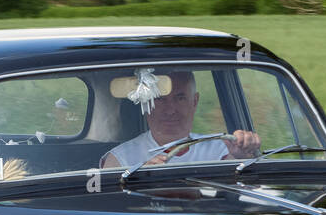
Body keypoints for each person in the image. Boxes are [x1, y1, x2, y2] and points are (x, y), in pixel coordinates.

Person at [101, 71, 260, 169]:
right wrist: (140, 180)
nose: (170, 110)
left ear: (195, 101)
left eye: (180, 98)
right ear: (146, 103)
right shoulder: (120, 159)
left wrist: (242, 157)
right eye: (161, 99)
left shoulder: (222, 149)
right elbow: (108, 213)